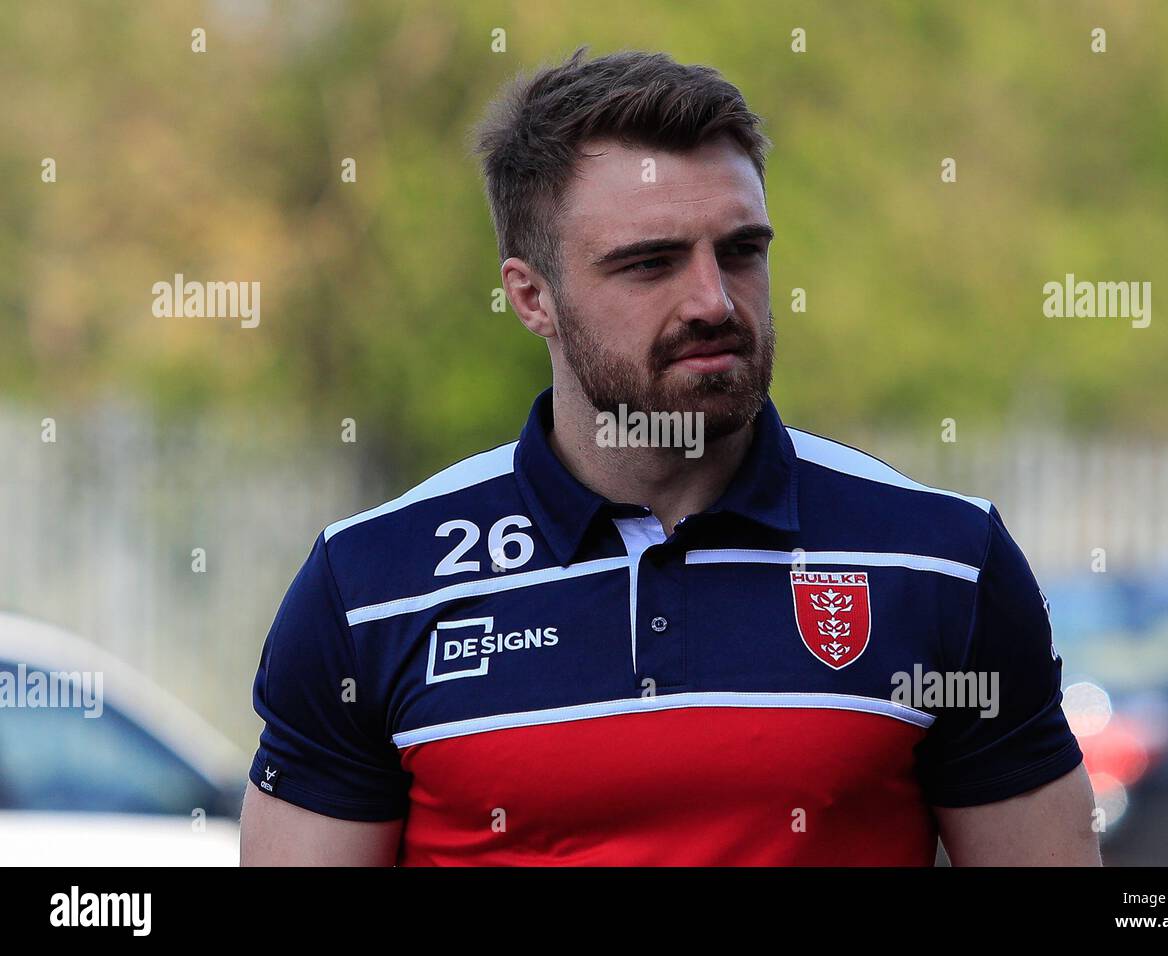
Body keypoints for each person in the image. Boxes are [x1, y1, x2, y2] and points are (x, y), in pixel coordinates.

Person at [240, 47, 1100, 866]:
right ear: (531, 296)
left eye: (741, 251)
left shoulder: (941, 563)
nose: (714, 301)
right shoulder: (368, 588)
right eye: (650, 264)